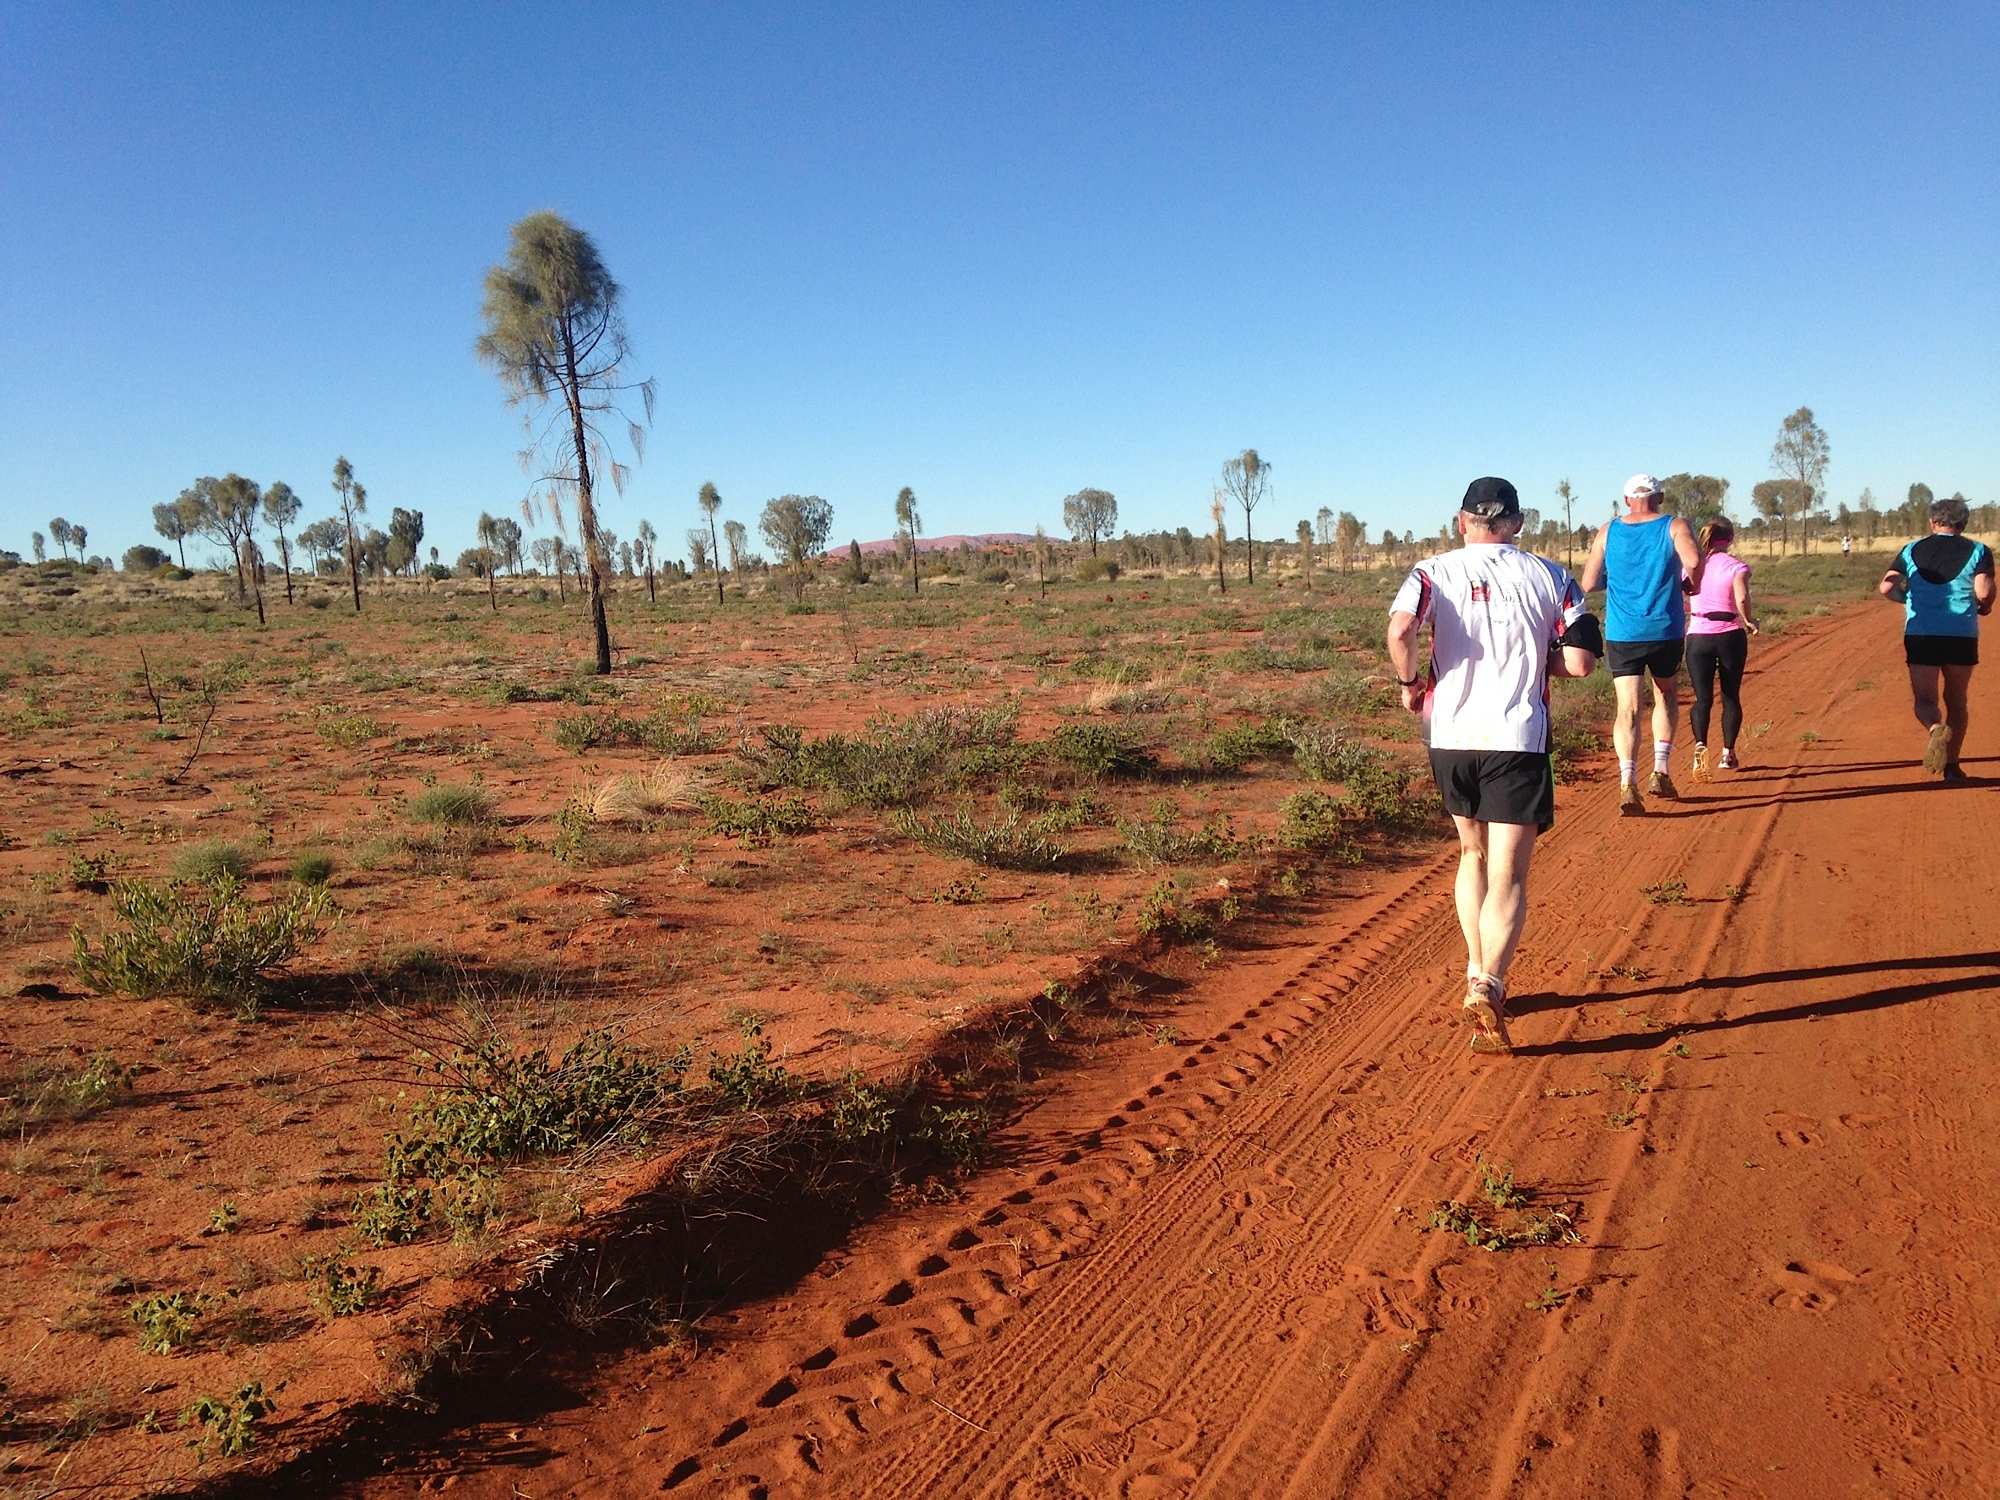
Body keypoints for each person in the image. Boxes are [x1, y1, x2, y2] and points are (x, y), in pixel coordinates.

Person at [1387, 477, 1602, 1053]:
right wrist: (1539, 665)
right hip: (1516, 739)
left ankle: (1473, 972)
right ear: (1519, 522)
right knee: (1508, 872)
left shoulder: (1431, 571)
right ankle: (1490, 983)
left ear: (1462, 522)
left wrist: (1411, 685)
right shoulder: (1553, 577)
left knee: (1471, 853)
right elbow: (1581, 662)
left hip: (1449, 736)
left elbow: (1402, 628)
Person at [1579, 474, 1703, 814]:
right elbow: (1692, 561)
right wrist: (1692, 583)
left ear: (1625, 500)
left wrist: (1617, 579)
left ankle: (1627, 783)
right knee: (1665, 694)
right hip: (1665, 629)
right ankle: (1660, 771)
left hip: (1623, 632)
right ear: (1659, 497)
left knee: (1628, 708)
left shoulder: (1608, 531)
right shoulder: (1674, 525)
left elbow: (1588, 582)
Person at [1879, 495, 1995, 781]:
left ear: (1933, 522)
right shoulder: (1979, 551)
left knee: (1925, 700)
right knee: (1957, 701)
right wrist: (1986, 606)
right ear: (1963, 522)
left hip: (1921, 635)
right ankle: (1952, 767)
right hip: (1960, 634)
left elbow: (1885, 587)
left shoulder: (1910, 550)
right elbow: (1982, 592)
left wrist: (1905, 599)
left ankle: (1934, 728)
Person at [1684, 518, 1759, 779]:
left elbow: (1684, 597)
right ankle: (1728, 753)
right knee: (1730, 696)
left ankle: (1700, 747)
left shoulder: (1692, 566)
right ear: (1730, 539)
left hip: (1697, 636)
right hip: (1730, 635)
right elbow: (1741, 598)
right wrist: (1749, 621)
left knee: (1702, 699)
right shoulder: (1737, 566)